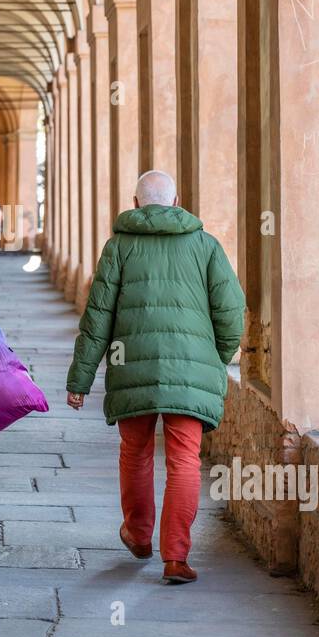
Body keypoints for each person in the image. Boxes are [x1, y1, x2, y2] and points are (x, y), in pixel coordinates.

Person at [65, 170, 245, 584]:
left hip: (133, 368)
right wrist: (215, 358)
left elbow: (97, 320)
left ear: (135, 203)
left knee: (136, 451)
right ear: (177, 201)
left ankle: (139, 535)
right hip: (190, 369)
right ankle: (176, 558)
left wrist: (80, 380)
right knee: (184, 461)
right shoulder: (205, 246)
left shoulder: (119, 247)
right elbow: (232, 312)